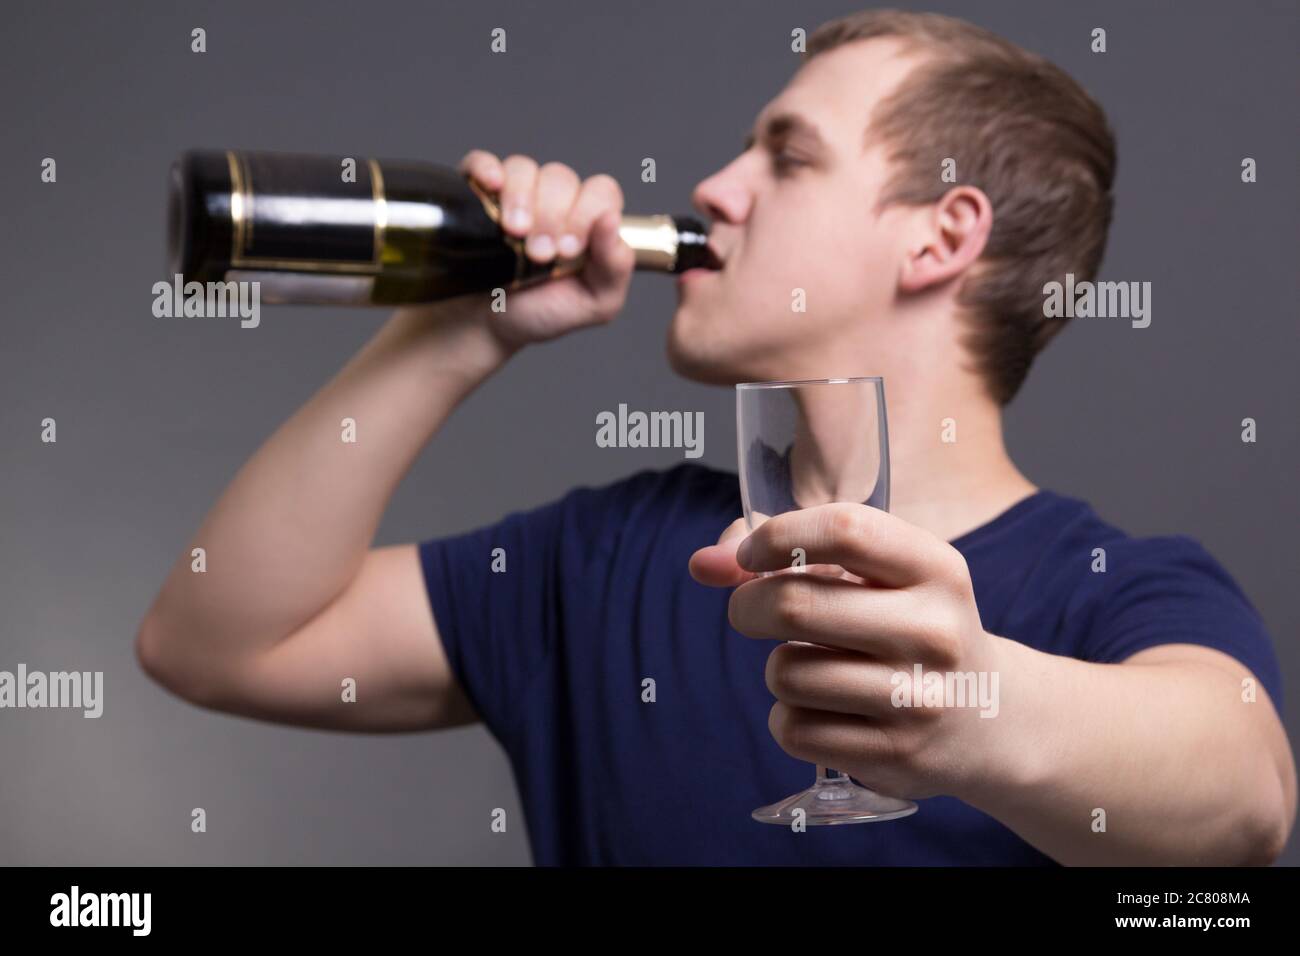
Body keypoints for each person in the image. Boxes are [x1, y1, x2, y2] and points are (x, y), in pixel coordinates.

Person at [135, 9, 1295, 865]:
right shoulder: (606, 551)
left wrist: (968, 701)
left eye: (786, 157)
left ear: (940, 237)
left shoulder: (1115, 588)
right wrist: (460, 330)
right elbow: (215, 640)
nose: (714, 187)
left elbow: (1245, 796)